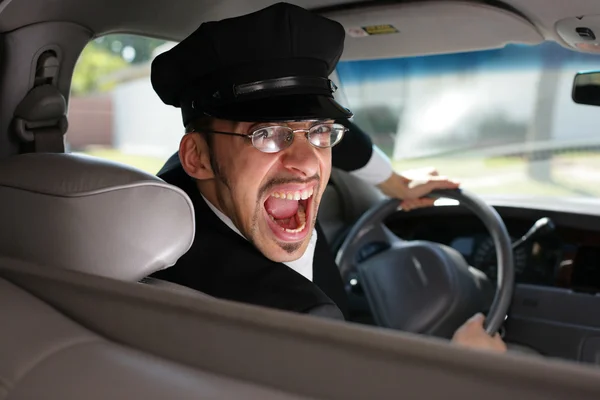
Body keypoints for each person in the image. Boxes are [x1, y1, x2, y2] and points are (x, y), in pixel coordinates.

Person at [149, 2, 506, 353]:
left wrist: (392, 181)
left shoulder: (178, 184)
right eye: (269, 133)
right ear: (196, 156)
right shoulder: (295, 321)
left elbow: (339, 138)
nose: (308, 162)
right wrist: (465, 367)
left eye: (320, 130)